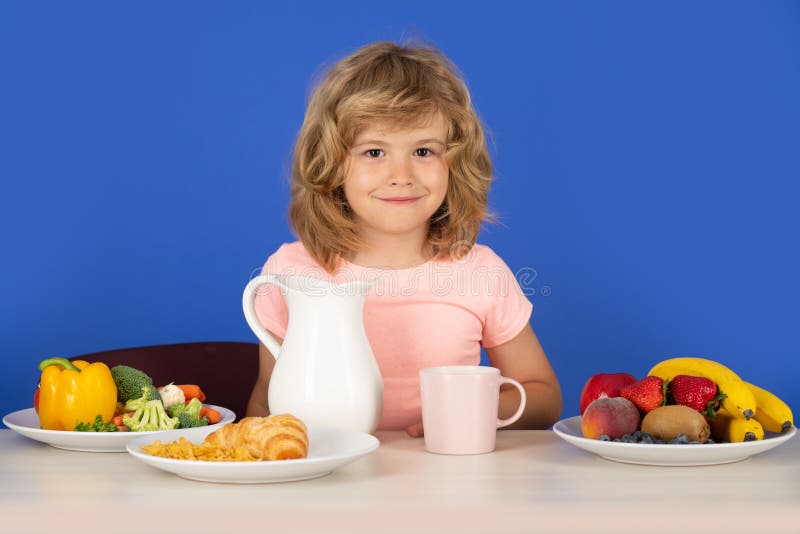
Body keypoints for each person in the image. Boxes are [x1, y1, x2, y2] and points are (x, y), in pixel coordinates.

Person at [246, 41, 562, 436]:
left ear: (456, 162)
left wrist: (470, 411)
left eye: (424, 151)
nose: (401, 174)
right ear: (330, 163)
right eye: (374, 151)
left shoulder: (480, 272)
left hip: (446, 481)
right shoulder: (291, 272)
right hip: (326, 483)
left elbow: (544, 395)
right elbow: (266, 401)